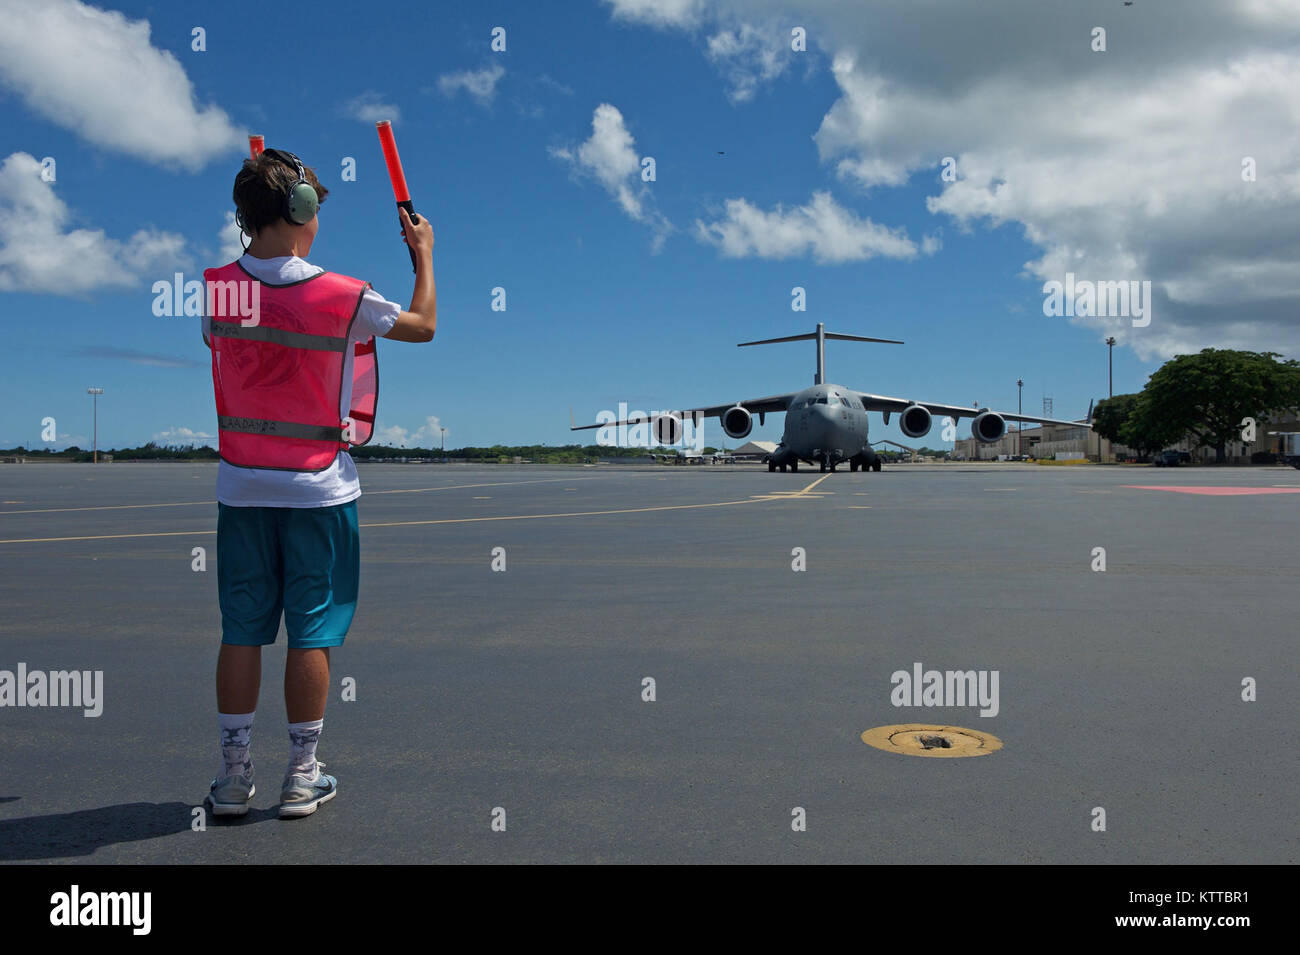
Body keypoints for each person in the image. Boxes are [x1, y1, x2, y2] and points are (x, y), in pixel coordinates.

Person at [201, 147, 436, 818]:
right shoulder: (341, 293)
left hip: (242, 489)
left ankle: (230, 777)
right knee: (311, 632)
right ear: (302, 212)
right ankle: (302, 773)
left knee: (241, 629)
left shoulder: (219, 289)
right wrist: (422, 254)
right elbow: (423, 326)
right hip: (317, 491)